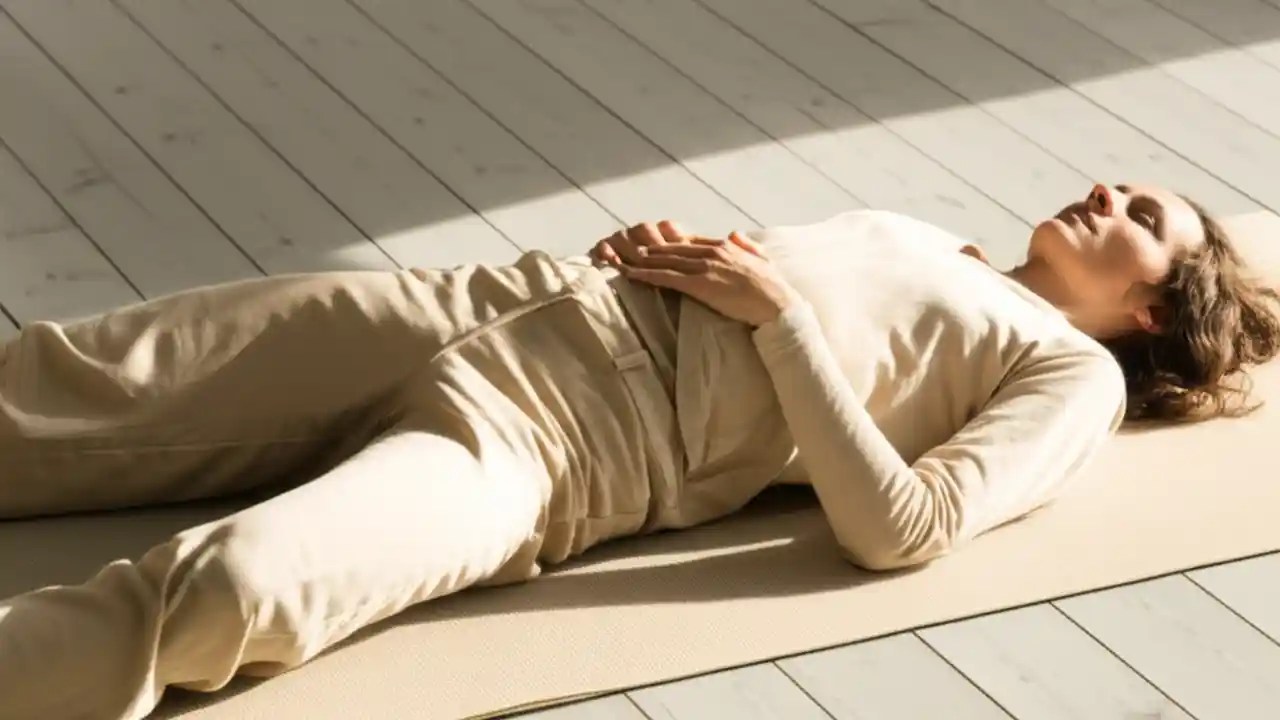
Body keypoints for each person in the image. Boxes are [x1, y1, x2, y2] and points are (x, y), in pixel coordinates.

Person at [0, 183, 1276, 720]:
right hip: (499, 299)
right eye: (1114, 185)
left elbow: (907, 529)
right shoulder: (926, 235)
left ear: (1153, 307)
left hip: (565, 446)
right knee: (91, 378)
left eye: (1138, 215)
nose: (1102, 196)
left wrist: (775, 319)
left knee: (235, 589)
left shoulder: (1066, 377)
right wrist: (663, 255)